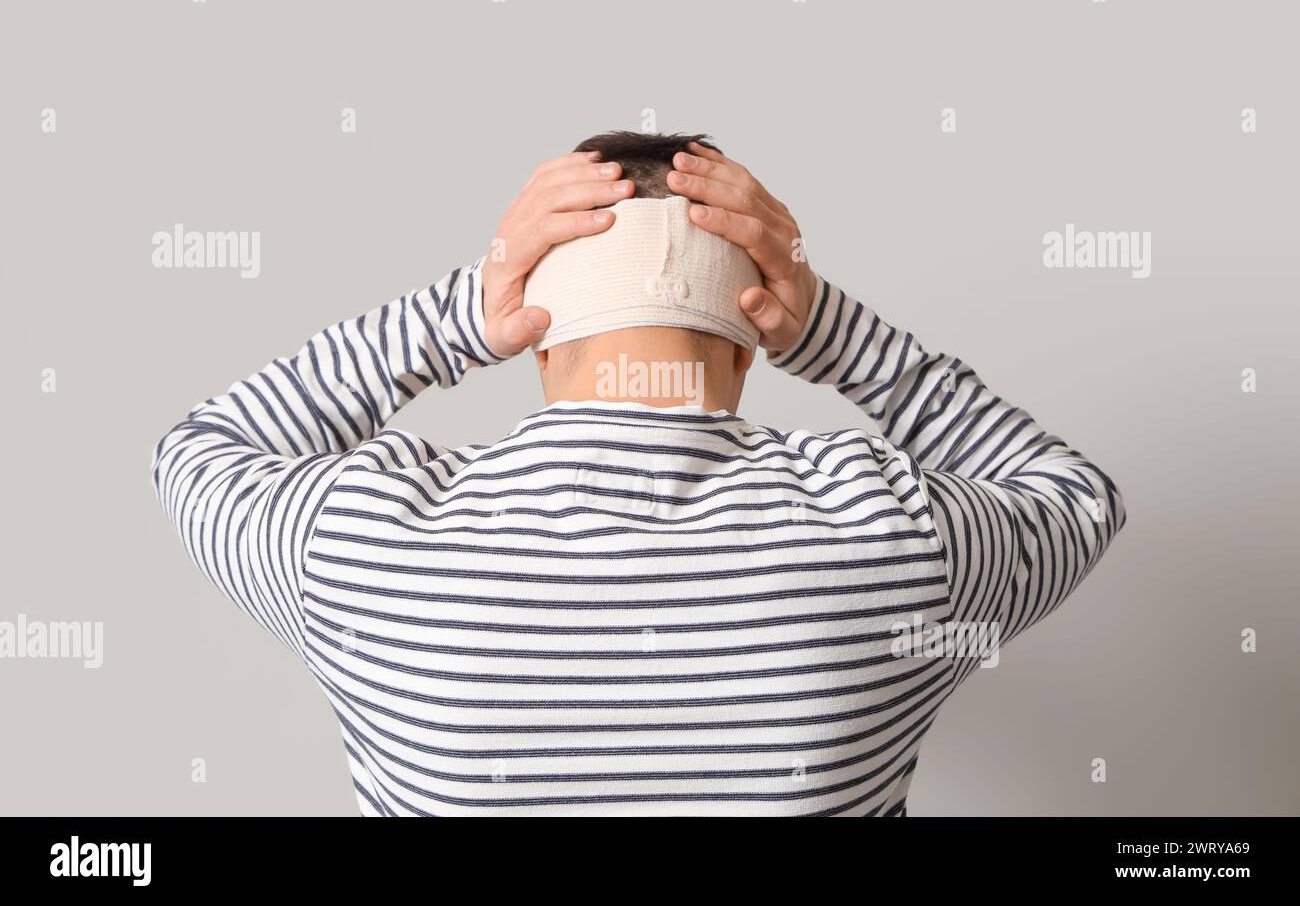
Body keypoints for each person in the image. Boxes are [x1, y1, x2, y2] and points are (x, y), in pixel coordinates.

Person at [151, 131, 1125, 816]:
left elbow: (200, 449)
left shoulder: (361, 539)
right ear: (750, 343)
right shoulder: (899, 534)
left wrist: (460, 309)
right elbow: (1074, 492)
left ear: (535, 337)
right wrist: (831, 330)